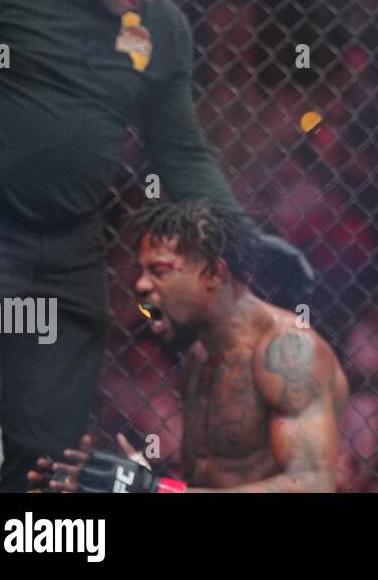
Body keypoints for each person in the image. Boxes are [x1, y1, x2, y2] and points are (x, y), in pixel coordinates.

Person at [0, 0, 312, 491]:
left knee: (48, 451)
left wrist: (239, 237)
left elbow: (178, 149)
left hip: (67, 252)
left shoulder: (160, 28)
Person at [30, 200, 346, 492]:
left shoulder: (289, 353)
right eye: (141, 270)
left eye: (159, 271)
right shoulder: (200, 355)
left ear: (212, 273)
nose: (140, 284)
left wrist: (156, 491)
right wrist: (135, 479)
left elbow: (313, 484)